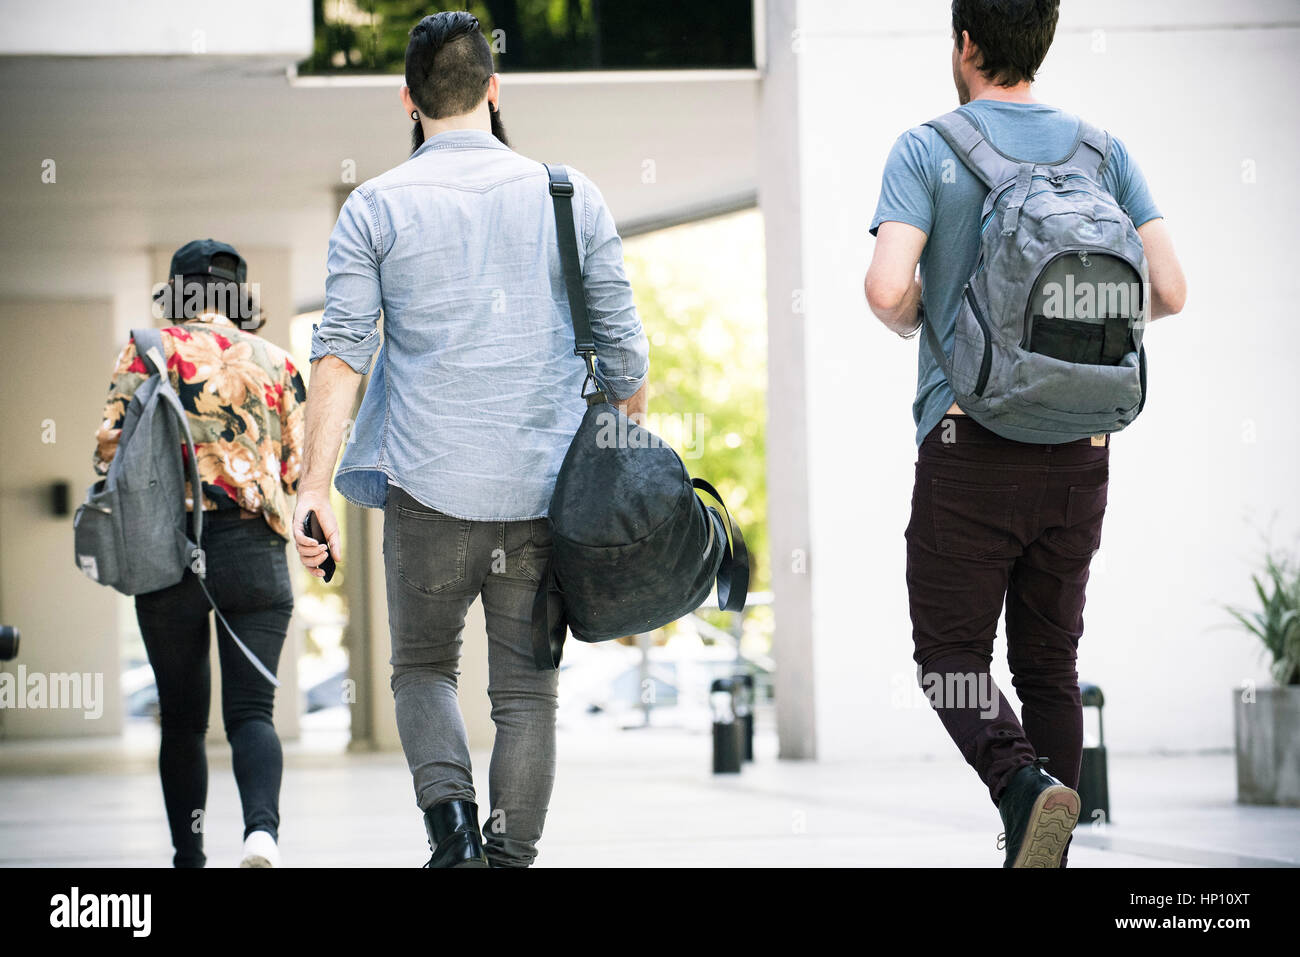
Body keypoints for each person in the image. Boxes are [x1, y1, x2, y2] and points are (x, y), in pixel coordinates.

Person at [294, 11, 648, 868]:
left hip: (428, 491)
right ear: (495, 90)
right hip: (542, 498)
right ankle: (506, 860)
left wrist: (312, 488)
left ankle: (450, 835)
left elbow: (342, 353)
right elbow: (629, 364)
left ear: (407, 101)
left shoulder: (375, 206)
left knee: (422, 669)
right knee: (527, 695)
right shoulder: (572, 195)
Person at [864, 0, 1186, 867]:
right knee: (1049, 661)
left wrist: (934, 320)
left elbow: (887, 288)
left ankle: (1019, 785)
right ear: (1040, 42)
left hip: (971, 441)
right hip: (1084, 451)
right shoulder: (1103, 153)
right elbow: (1171, 288)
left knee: (948, 654)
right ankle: (1048, 849)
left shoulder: (928, 148)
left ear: (965, 43)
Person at [93, 239, 306, 867]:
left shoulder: (148, 350)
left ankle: (190, 858)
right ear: (237, 294)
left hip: (169, 550)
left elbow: (109, 452)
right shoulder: (278, 362)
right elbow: (293, 471)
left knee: (183, 721)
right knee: (252, 713)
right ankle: (261, 834)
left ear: (176, 292)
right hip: (256, 553)